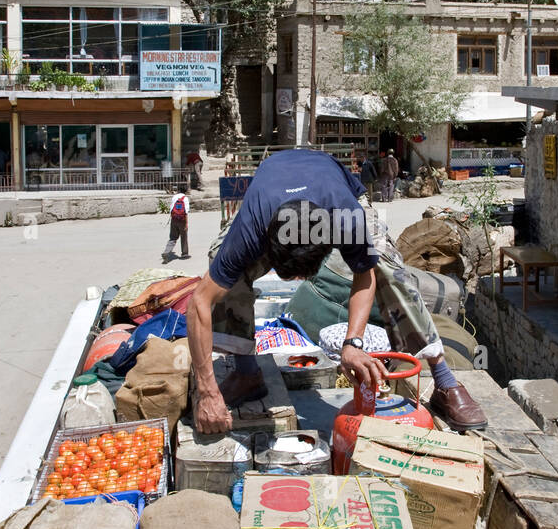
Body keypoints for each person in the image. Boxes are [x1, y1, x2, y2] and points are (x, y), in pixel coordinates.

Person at [187, 148, 487, 434]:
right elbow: (199, 301)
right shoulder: (251, 228)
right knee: (222, 265)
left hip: (330, 187)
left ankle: (445, 380)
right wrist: (207, 390)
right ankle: (247, 371)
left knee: (387, 265)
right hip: (273, 187)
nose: (296, 284)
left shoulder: (346, 216)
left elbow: (364, 273)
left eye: (302, 276)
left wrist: (353, 343)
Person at [163, 186, 192, 262]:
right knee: (184, 236)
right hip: (182, 220)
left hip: (174, 219)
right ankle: (184, 253)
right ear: (185, 192)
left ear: (179, 190)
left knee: (172, 237)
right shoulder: (185, 199)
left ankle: (166, 251)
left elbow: (171, 209)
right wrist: (186, 223)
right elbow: (186, 212)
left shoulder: (174, 197)